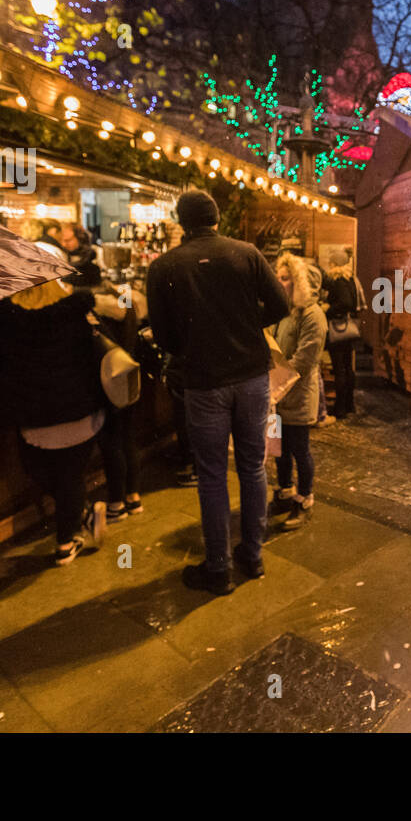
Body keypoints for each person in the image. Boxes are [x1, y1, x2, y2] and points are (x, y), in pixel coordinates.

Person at [147, 190, 290, 595]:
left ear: (181, 222)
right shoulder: (246, 253)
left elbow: (162, 336)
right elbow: (280, 305)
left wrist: (194, 343)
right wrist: (247, 326)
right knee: (252, 466)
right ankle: (254, 555)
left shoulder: (165, 267)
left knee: (211, 475)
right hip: (252, 377)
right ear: (217, 217)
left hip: (204, 381)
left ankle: (218, 568)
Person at [0, 252, 106, 566]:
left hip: (32, 415)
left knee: (40, 472)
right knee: (70, 476)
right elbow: (96, 355)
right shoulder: (76, 314)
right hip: (78, 408)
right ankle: (70, 534)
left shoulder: (4, 323)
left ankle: (72, 531)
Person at [269, 252, 328, 530]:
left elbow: (304, 359)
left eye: (285, 279)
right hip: (277, 393)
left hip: (298, 393)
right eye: (278, 278)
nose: (280, 284)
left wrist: (275, 378)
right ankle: (284, 491)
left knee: (298, 449)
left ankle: (304, 498)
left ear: (299, 282)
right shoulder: (285, 311)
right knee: (278, 448)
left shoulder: (313, 315)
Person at [87, 266, 149, 522]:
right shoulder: (128, 302)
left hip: (105, 381)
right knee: (127, 437)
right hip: (128, 377)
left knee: (110, 442)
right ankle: (133, 497)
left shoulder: (94, 312)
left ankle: (116, 502)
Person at [322, 247, 362, 419]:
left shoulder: (338, 280)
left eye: (331, 262)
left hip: (338, 329)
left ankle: (339, 408)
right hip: (348, 328)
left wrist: (327, 309)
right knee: (347, 368)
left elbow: (344, 302)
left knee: (339, 369)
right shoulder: (351, 279)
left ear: (335, 264)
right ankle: (349, 404)